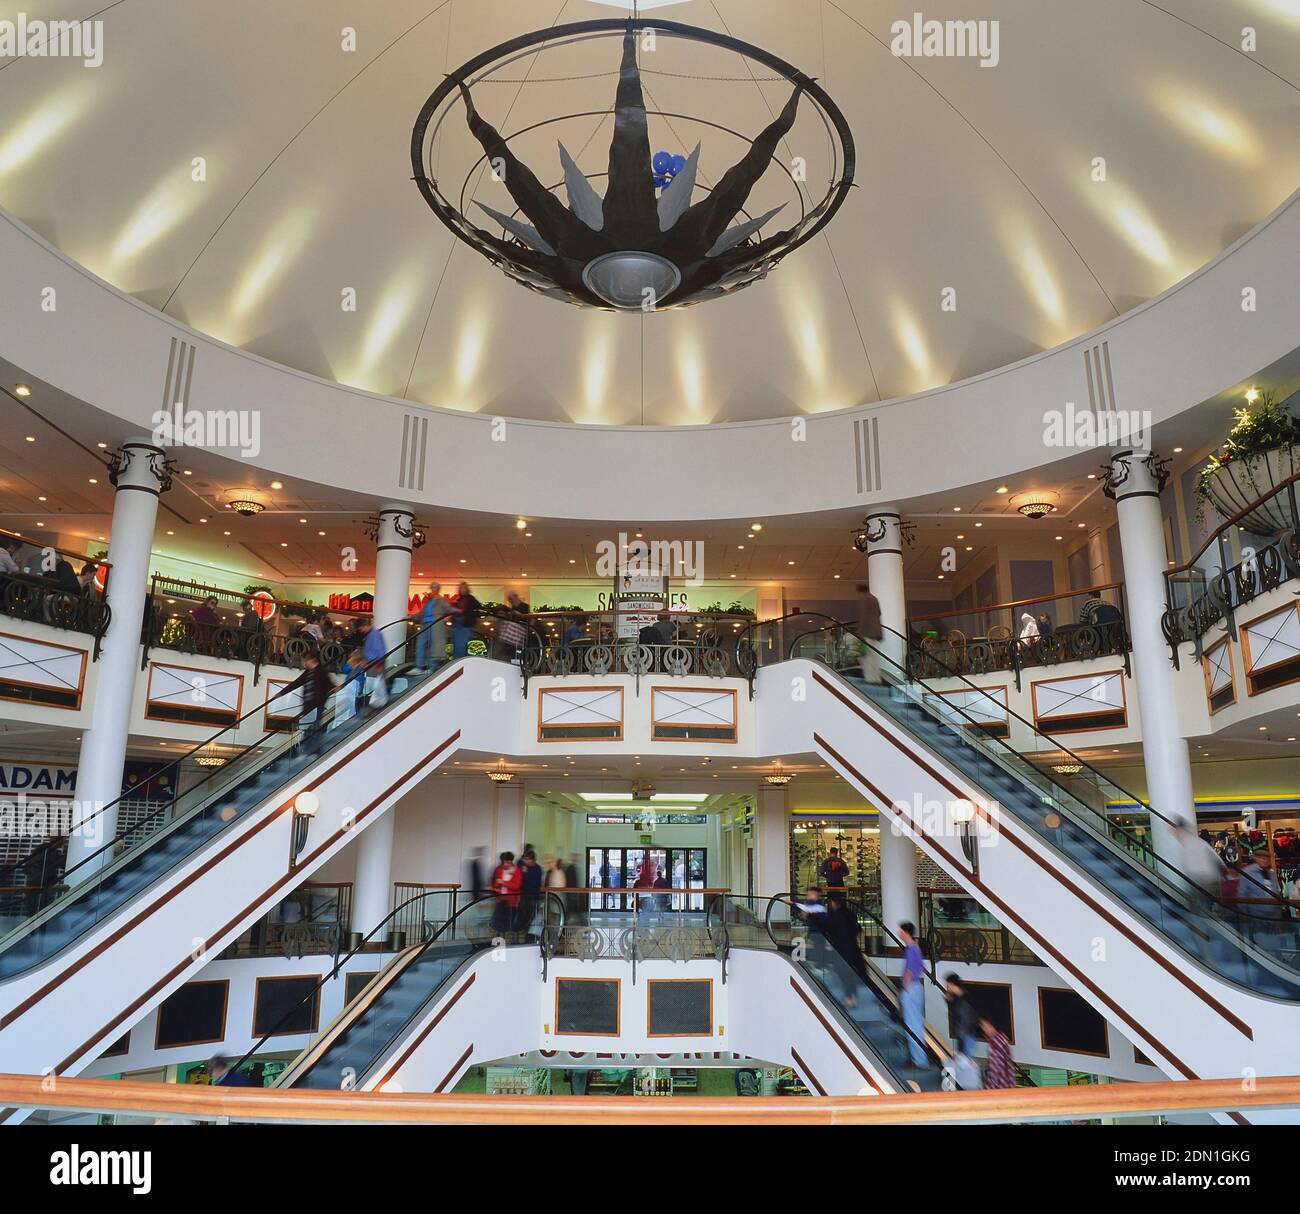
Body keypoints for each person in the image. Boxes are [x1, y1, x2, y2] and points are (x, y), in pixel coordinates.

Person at [822, 892, 868, 1004]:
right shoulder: (849, 913)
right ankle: (853, 997)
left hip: (842, 951)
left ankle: (849, 998)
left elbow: (829, 928)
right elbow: (857, 928)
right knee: (850, 974)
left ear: (832, 903)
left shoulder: (837, 915)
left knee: (844, 974)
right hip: (853, 949)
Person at [291, 649, 334, 756]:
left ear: (312, 660)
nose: (304, 664)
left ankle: (314, 750)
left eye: (305, 661)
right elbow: (296, 683)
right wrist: (281, 693)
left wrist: (334, 688)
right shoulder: (308, 672)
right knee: (308, 727)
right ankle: (309, 749)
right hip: (308, 705)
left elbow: (328, 684)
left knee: (313, 727)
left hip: (316, 704)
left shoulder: (320, 671)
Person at [898, 921, 928, 1067]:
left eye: (900, 931)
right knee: (918, 1024)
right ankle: (921, 1059)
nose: (899, 933)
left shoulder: (910, 949)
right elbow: (922, 967)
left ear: (905, 932)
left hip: (911, 988)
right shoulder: (917, 948)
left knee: (912, 1025)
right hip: (918, 988)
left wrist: (905, 987)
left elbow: (909, 971)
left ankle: (918, 1060)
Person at [414, 581, 450, 671]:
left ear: (438, 589)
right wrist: (411, 617)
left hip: (435, 625)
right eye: (432, 587)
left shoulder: (442, 600)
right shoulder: (428, 601)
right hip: (425, 624)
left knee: (434, 646)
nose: (434, 589)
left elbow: (449, 609)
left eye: (435, 587)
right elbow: (421, 613)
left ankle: (431, 668)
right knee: (421, 644)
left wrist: (452, 614)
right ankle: (419, 666)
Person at [944, 972, 979, 1059]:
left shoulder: (963, 1000)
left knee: (966, 1062)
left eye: (948, 986)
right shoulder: (958, 998)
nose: (947, 988)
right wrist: (950, 1002)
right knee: (965, 1061)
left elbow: (964, 1020)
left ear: (952, 984)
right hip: (964, 1035)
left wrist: (961, 1042)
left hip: (966, 1036)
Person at [856, 583, 885, 684]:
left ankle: (869, 679)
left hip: (867, 632)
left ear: (860, 591)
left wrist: (859, 631)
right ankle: (877, 678)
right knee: (874, 656)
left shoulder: (863, 598)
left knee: (866, 656)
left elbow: (862, 615)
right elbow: (879, 613)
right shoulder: (874, 599)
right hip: (876, 632)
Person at [489, 850, 521, 935]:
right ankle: (498, 940)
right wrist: (495, 888)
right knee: (498, 922)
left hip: (511, 901)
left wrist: (504, 883)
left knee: (509, 923)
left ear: (511, 861)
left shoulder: (516, 871)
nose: (506, 864)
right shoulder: (499, 869)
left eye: (508, 862)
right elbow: (494, 883)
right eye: (504, 862)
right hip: (500, 900)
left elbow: (516, 886)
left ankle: (509, 942)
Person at [359, 617, 388, 710]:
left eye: (361, 628)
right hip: (372, 663)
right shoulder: (371, 634)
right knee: (374, 687)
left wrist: (379, 664)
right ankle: (375, 707)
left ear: (364, 626)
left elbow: (380, 652)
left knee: (375, 688)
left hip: (375, 664)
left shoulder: (374, 634)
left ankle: (377, 708)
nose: (361, 631)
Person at [980, 1016, 1015, 1090]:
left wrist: (989, 1086)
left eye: (984, 1026)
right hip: (1009, 1082)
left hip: (1000, 1085)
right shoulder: (1002, 1036)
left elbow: (995, 1067)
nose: (983, 1029)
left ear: (991, 1026)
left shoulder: (994, 1042)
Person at [516, 849, 542, 937]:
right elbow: (518, 862)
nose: (525, 861)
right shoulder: (523, 866)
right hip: (523, 897)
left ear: (532, 860)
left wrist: (525, 873)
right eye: (525, 859)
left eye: (527, 859)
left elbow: (534, 884)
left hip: (533, 898)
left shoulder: (537, 869)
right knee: (522, 916)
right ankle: (521, 933)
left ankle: (526, 935)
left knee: (530, 917)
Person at [451, 581, 481, 658]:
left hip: (465, 625)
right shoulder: (458, 600)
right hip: (457, 624)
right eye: (461, 588)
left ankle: (460, 662)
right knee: (457, 645)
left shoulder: (471, 599)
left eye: (464, 588)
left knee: (461, 645)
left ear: (467, 589)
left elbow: (479, 608)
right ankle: (457, 662)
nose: (462, 589)